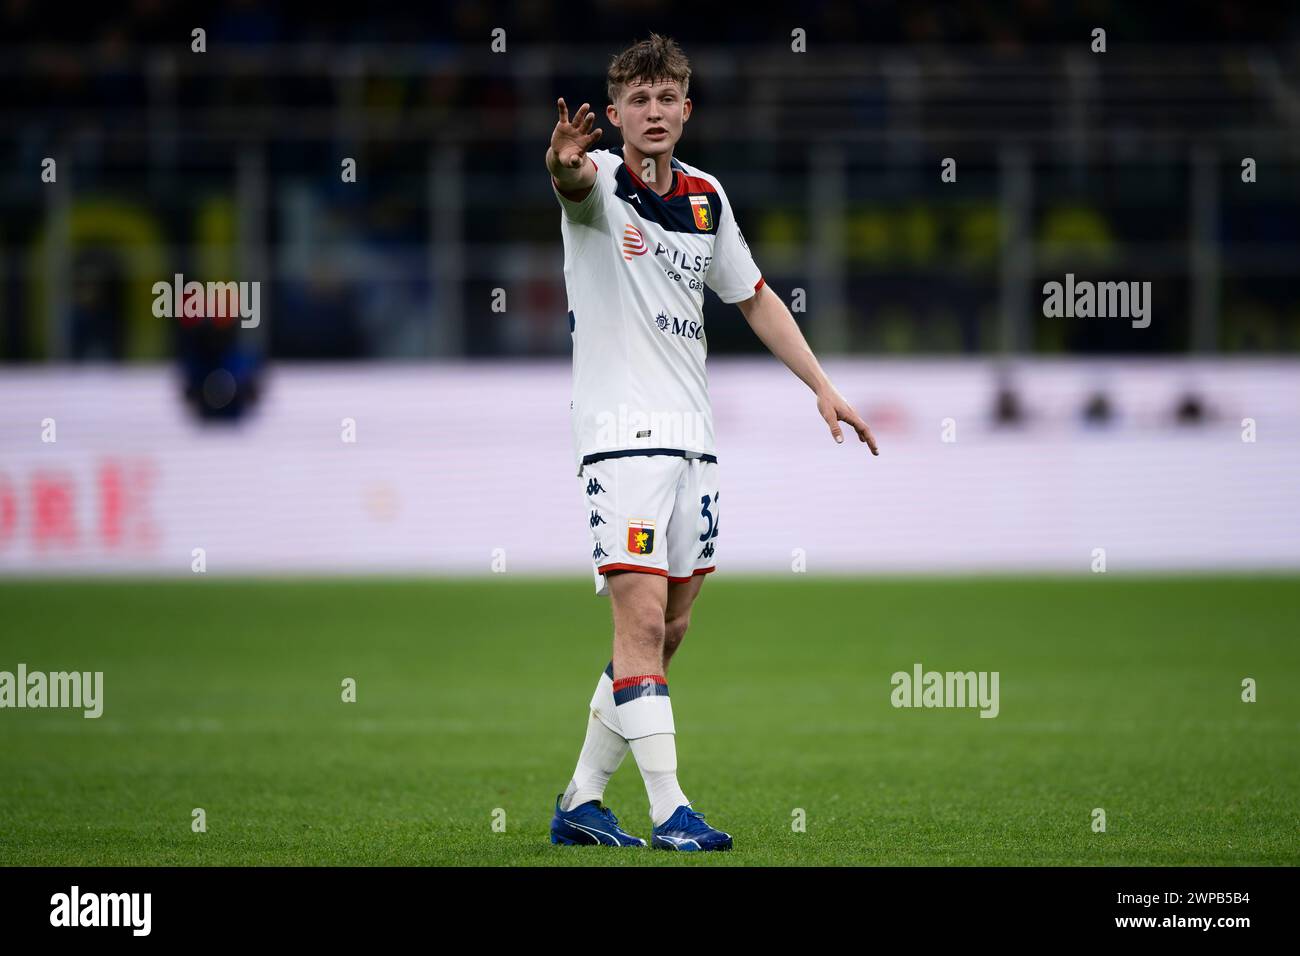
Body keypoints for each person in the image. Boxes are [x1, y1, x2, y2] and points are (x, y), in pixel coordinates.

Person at [546, 33, 877, 851]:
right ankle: (670, 811)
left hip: (694, 439)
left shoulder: (706, 198)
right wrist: (560, 160)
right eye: (638, 99)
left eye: (668, 98)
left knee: (672, 628)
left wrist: (822, 386)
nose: (653, 112)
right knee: (640, 618)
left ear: (686, 110)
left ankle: (582, 799)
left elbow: (755, 297)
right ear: (614, 112)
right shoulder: (600, 188)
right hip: (621, 438)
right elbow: (570, 180)